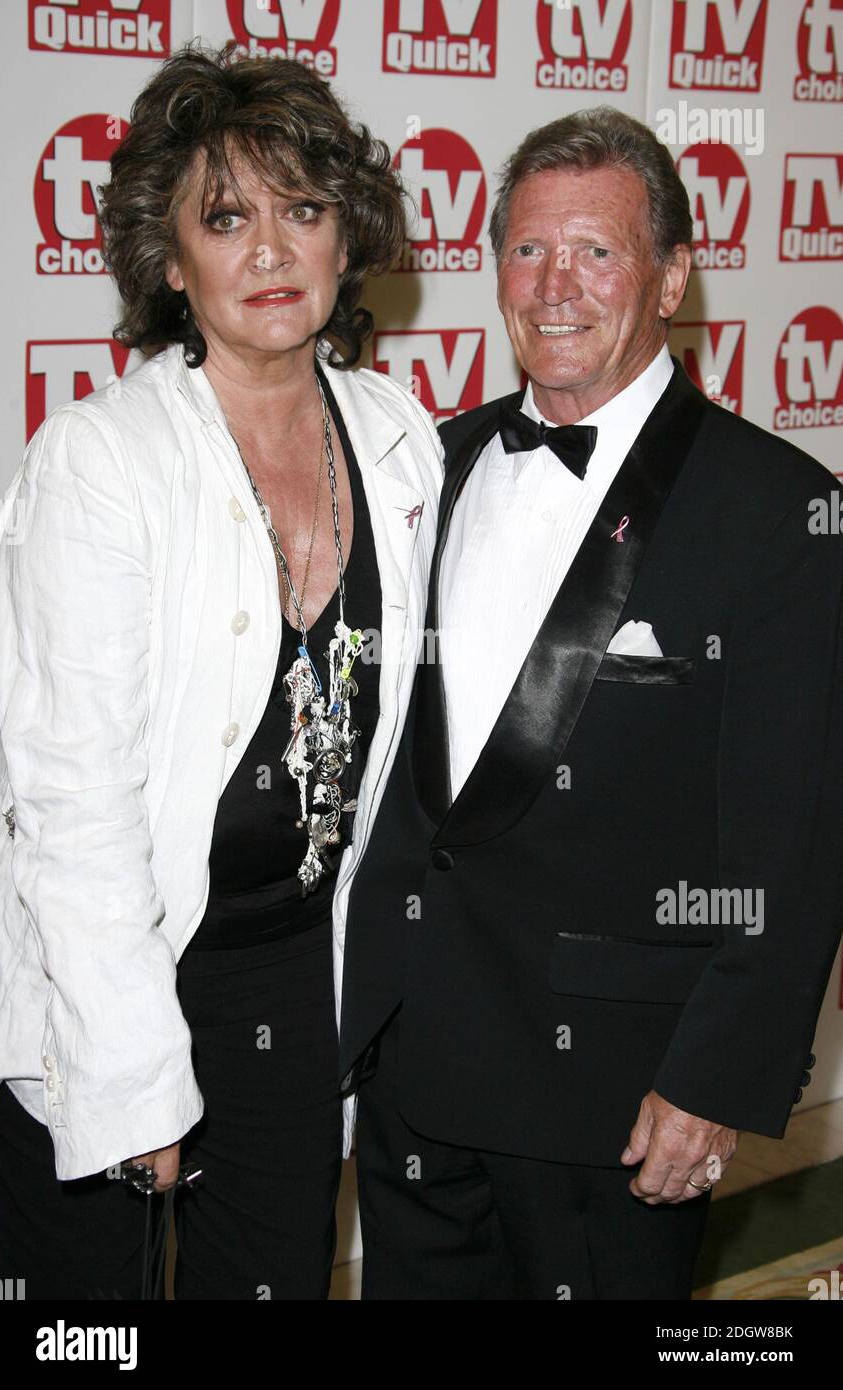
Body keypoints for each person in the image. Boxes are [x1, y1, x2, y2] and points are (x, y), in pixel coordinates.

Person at [340, 106, 843, 1300]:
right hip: (411, 1069)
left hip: (613, 1098)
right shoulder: (428, 468)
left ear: (671, 274)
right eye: (525, 249)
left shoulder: (778, 511)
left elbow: (798, 836)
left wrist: (714, 1080)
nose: (553, 284)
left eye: (596, 251)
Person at [0, 41, 441, 1300]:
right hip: (114, 976)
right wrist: (134, 1078)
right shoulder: (99, 459)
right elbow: (68, 808)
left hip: (296, 973)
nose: (270, 252)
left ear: (347, 238)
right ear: (168, 257)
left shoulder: (399, 438)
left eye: (303, 210)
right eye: (226, 217)